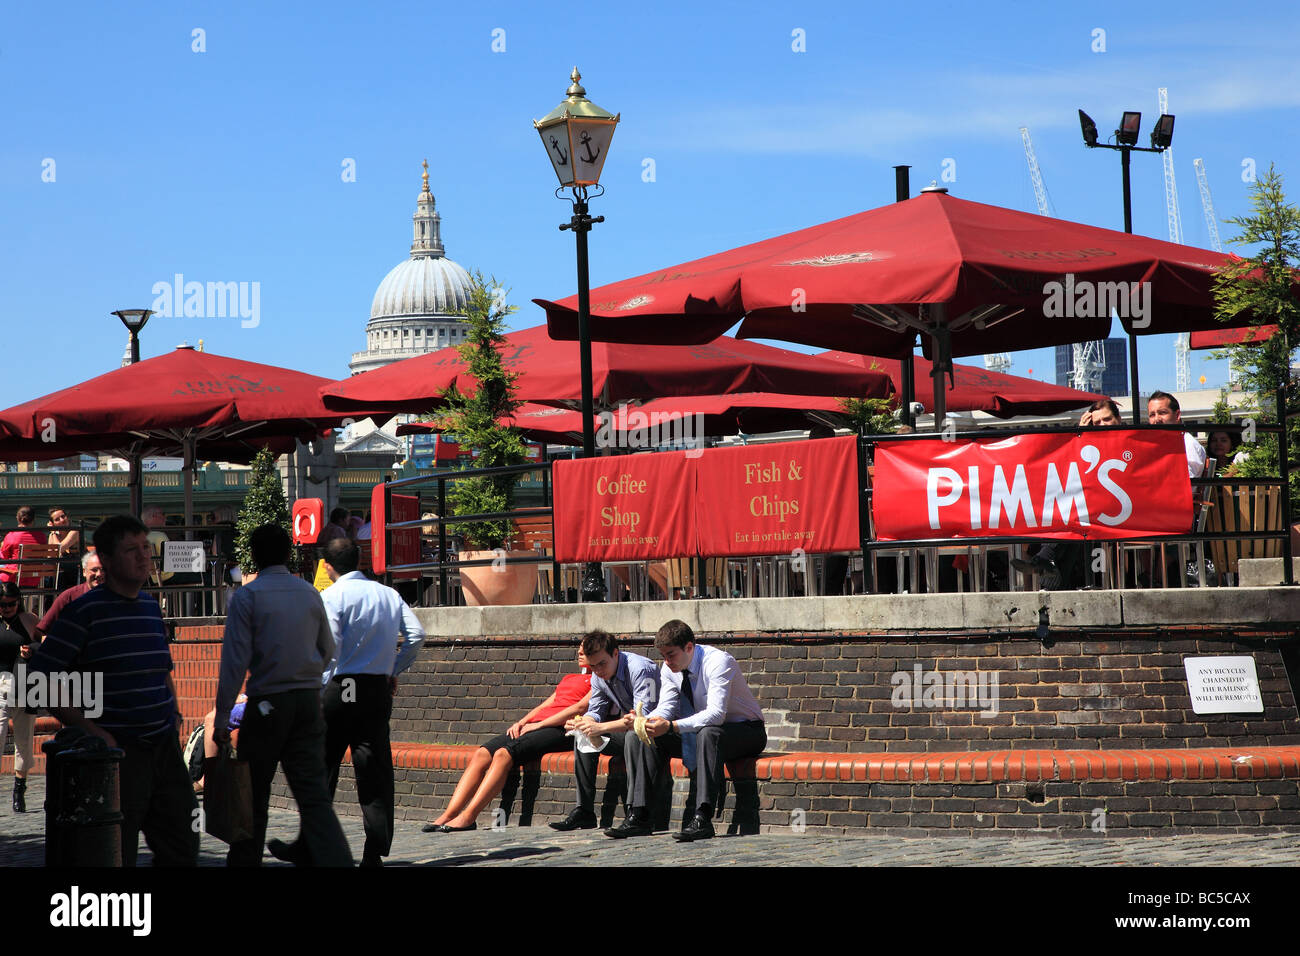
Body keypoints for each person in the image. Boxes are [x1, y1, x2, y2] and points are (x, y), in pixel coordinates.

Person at [28, 514, 199, 866]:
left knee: (183, 842)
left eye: (145, 548)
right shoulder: (84, 612)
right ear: (105, 559)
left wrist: (174, 711)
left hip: (164, 747)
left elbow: (162, 668)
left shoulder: (150, 607)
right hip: (119, 754)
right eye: (131, 550)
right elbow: (37, 680)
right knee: (118, 851)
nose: (143, 557)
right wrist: (91, 731)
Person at [267, 537, 424, 867]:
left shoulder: (330, 597)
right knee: (375, 771)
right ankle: (373, 853)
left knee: (322, 767)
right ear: (359, 559)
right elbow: (417, 635)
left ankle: (310, 844)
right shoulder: (388, 594)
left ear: (326, 566)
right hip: (375, 690)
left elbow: (330, 648)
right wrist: (391, 669)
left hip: (339, 689)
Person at [214, 523, 353, 867]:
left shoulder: (247, 597)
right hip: (307, 702)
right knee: (314, 796)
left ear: (254, 556)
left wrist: (222, 716)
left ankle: (244, 863)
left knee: (253, 794)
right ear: (288, 554)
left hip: (267, 702)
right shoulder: (309, 593)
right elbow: (328, 649)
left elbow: (234, 663)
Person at [607, 620, 766, 843]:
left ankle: (702, 818)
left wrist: (671, 726)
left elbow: (716, 715)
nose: (666, 661)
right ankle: (640, 816)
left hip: (746, 731)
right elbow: (667, 707)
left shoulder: (719, 662)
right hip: (702, 731)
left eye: (671, 654)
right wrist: (646, 721)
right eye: (663, 656)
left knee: (709, 733)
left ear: (689, 647)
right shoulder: (669, 669)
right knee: (643, 736)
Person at [423, 647, 592, 833]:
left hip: (560, 729)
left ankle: (468, 817)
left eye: (585, 650)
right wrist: (521, 722)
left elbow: (579, 708)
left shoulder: (599, 681)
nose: (579, 652)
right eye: (579, 648)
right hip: (536, 725)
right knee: (482, 753)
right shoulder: (569, 678)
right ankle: (449, 814)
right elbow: (545, 705)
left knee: (503, 754)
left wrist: (539, 725)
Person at [549, 629, 660, 831]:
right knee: (582, 734)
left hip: (657, 734)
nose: (598, 670)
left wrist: (599, 727)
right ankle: (584, 810)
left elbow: (643, 719)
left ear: (615, 653)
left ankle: (637, 813)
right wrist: (583, 723)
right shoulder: (598, 676)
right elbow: (596, 710)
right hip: (628, 730)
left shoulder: (640, 669)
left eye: (602, 664)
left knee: (633, 736)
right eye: (593, 666)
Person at [1012, 398, 1124, 589]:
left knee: (1072, 519)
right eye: (1097, 422)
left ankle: (1045, 563)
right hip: (1087, 512)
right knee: (1072, 528)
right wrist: (1080, 435)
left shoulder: (1129, 440)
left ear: (1118, 419)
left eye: (1107, 419)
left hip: (1117, 510)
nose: (1102, 425)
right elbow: (1070, 472)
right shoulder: (1089, 446)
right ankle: (1052, 579)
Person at [0, 582, 39, 812]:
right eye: (2, 604)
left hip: (25, 684)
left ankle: (19, 789)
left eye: (11, 604)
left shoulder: (29, 620)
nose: (6, 608)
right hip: (1, 684)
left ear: (19, 601)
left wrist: (31, 648)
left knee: (24, 740)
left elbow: (45, 641)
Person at [34, 551, 103, 639]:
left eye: (103, 570)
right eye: (94, 570)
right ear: (84, 572)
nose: (99, 574)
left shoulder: (117, 597)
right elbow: (40, 631)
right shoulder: (69, 597)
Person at [1147, 391, 1208, 478]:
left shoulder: (1187, 444)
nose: (1157, 419)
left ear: (1177, 415)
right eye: (1152, 415)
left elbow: (1185, 482)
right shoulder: (1155, 445)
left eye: (1162, 413)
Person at [1, 506, 46, 587]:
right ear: (34, 519)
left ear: (17, 518)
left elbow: (4, 556)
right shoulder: (42, 536)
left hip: (14, 578)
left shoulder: (12, 535)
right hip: (35, 578)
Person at [47, 506, 81, 593]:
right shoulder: (53, 535)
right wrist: (53, 533)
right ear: (53, 524)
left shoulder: (74, 531)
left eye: (63, 516)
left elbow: (59, 549)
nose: (62, 520)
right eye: (57, 519)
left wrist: (53, 531)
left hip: (77, 570)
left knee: (58, 573)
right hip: (63, 571)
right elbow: (50, 555)